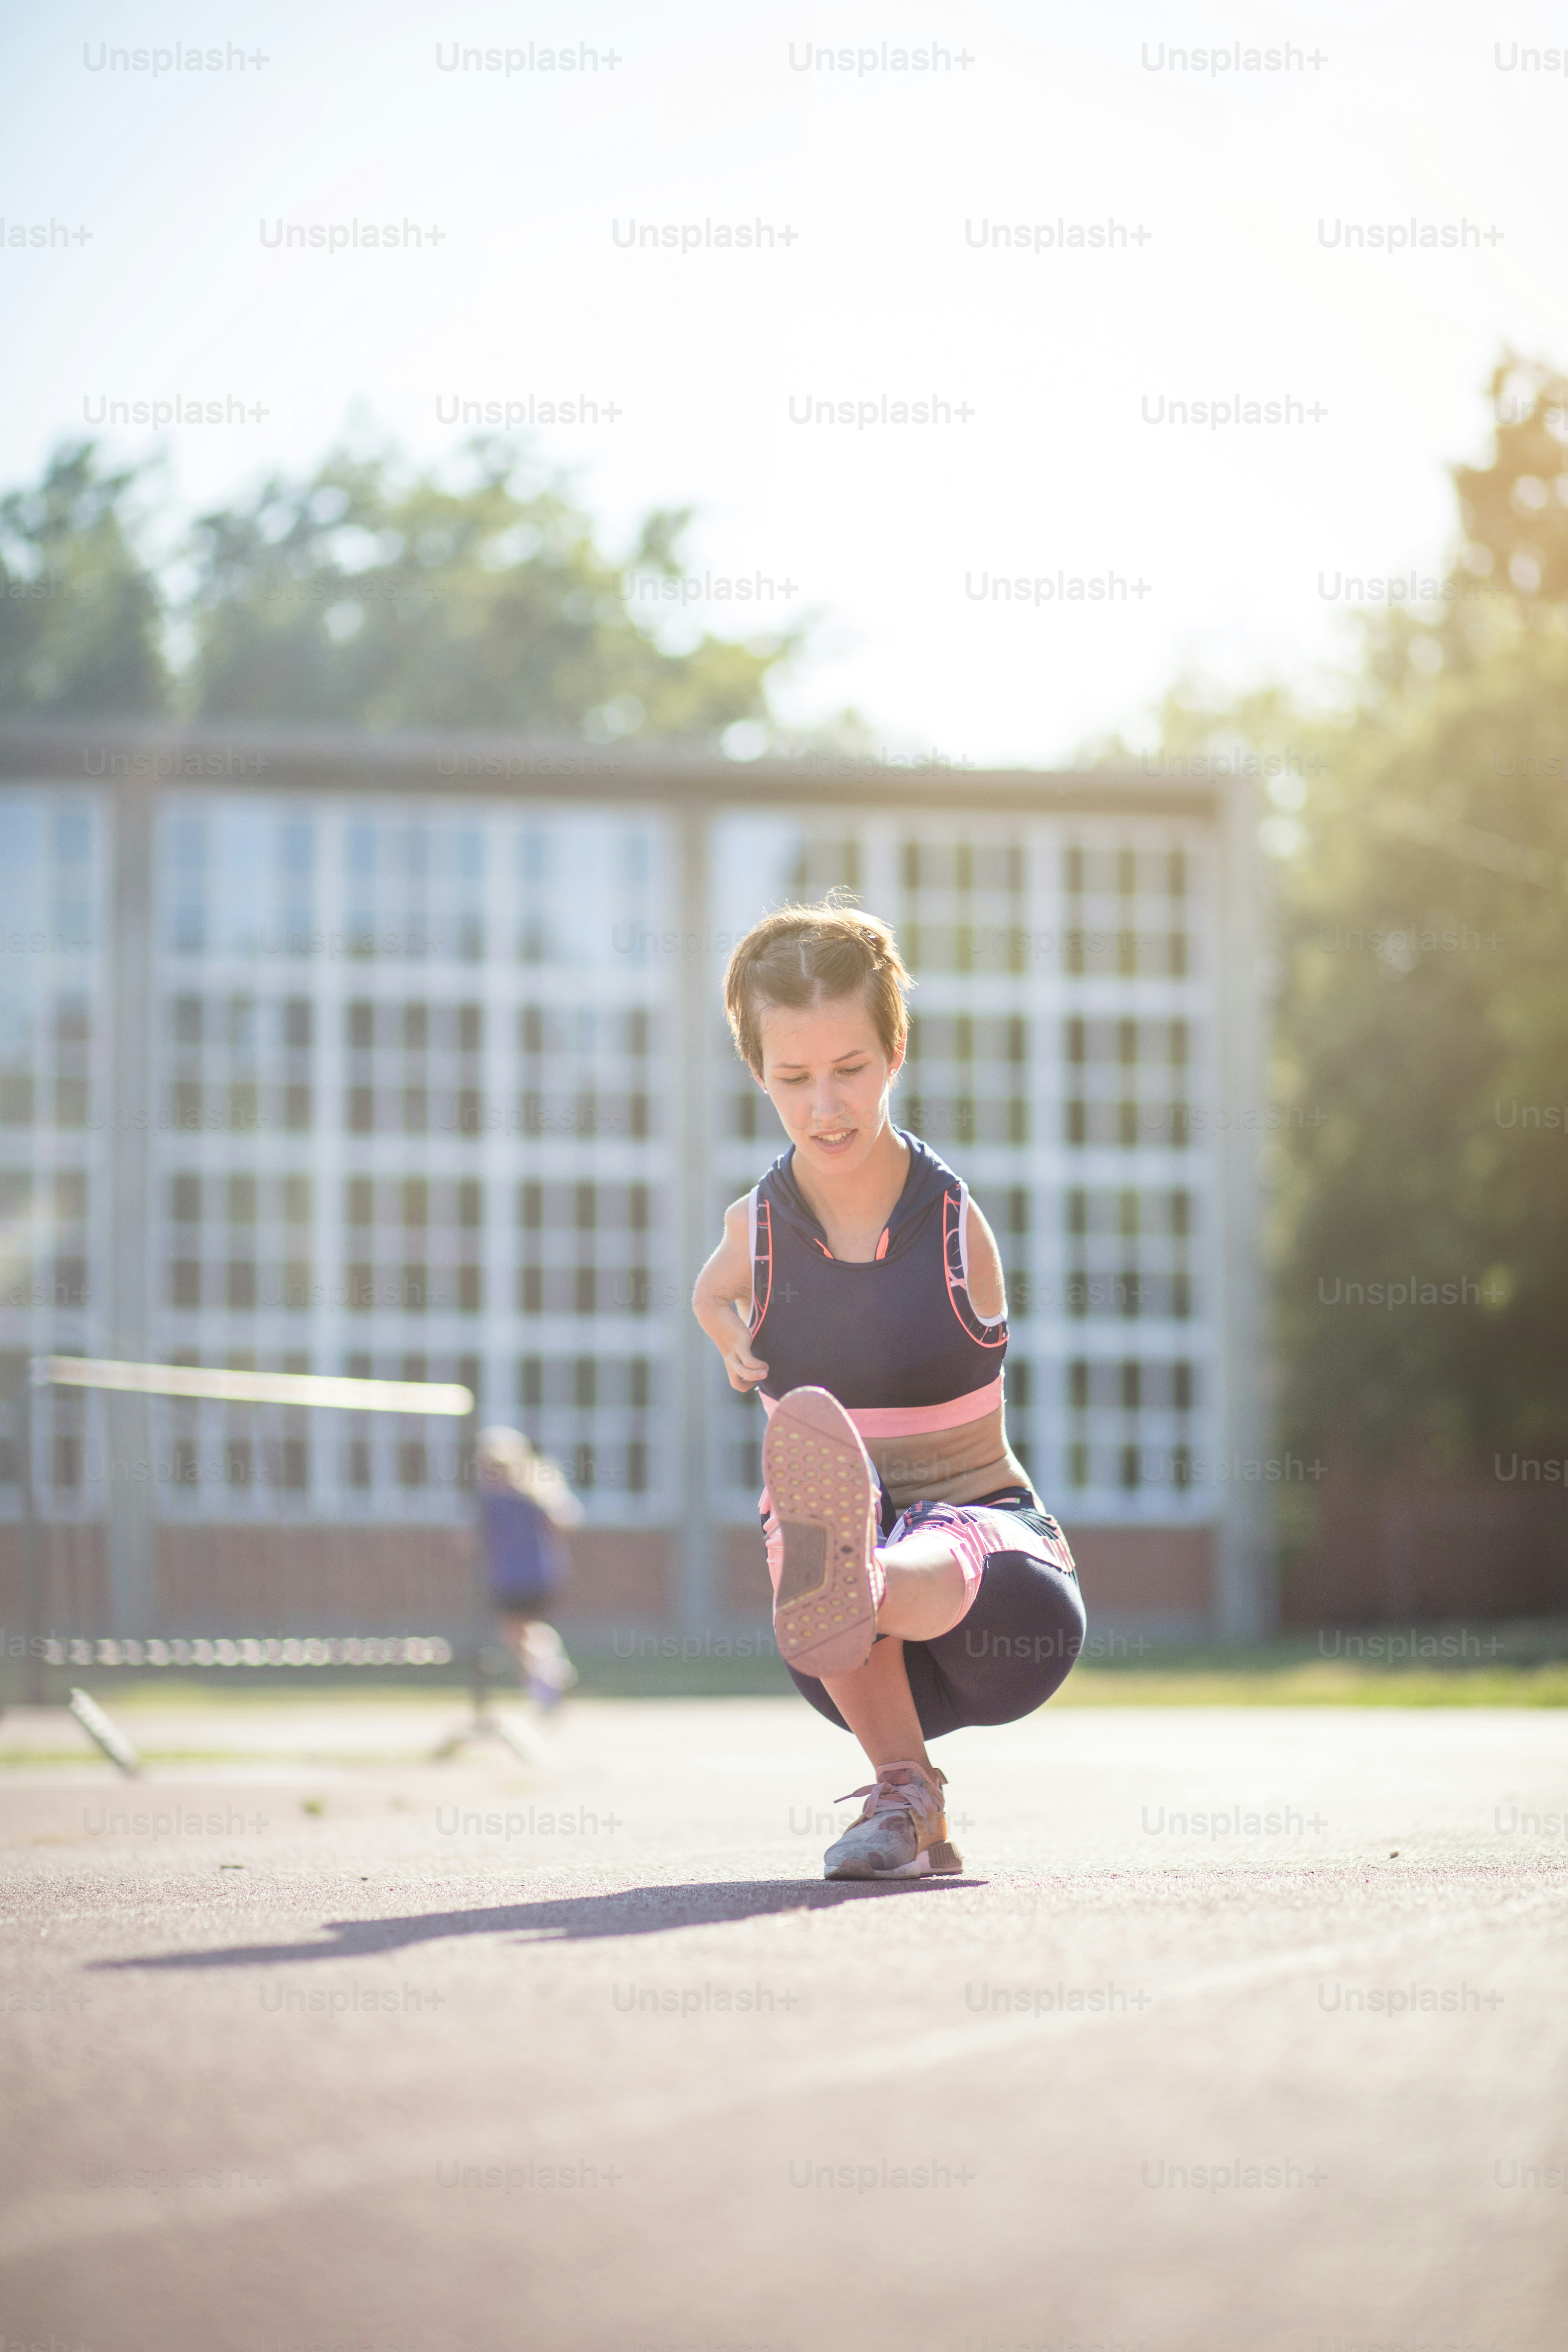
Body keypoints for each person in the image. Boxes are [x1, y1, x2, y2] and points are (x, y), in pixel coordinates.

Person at [692, 900, 1086, 1881]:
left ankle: (856, 1580)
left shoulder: (952, 1225)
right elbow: (709, 1292)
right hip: (849, 1660)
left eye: (849, 1070)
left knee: (881, 1545)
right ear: (757, 1076)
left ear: (895, 1051)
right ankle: (906, 1800)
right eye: (792, 1079)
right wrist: (730, 1338)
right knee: (819, 1528)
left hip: (1000, 1591)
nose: (824, 1106)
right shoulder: (756, 1229)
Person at [473, 1426, 583, 1709]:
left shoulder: (498, 1497)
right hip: (541, 1571)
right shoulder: (539, 1488)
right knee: (531, 1628)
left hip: (514, 1573)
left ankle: (545, 1679)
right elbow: (565, 1521)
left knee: (516, 1632)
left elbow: (472, 1538)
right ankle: (549, 1670)